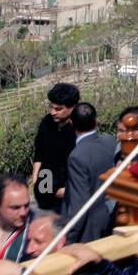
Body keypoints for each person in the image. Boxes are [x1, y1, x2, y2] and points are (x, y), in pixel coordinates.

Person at [61, 102, 120, 242]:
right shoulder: (111, 141)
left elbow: (79, 203)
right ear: (96, 121)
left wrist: (68, 239)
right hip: (114, 220)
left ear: (71, 123)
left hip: (91, 231)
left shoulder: (77, 156)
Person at [31, 82, 79, 210]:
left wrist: (65, 190)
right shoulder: (47, 123)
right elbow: (39, 153)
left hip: (66, 194)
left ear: (72, 107)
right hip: (44, 186)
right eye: (51, 107)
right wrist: (36, 181)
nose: (53, 112)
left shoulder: (79, 130)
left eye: (58, 109)